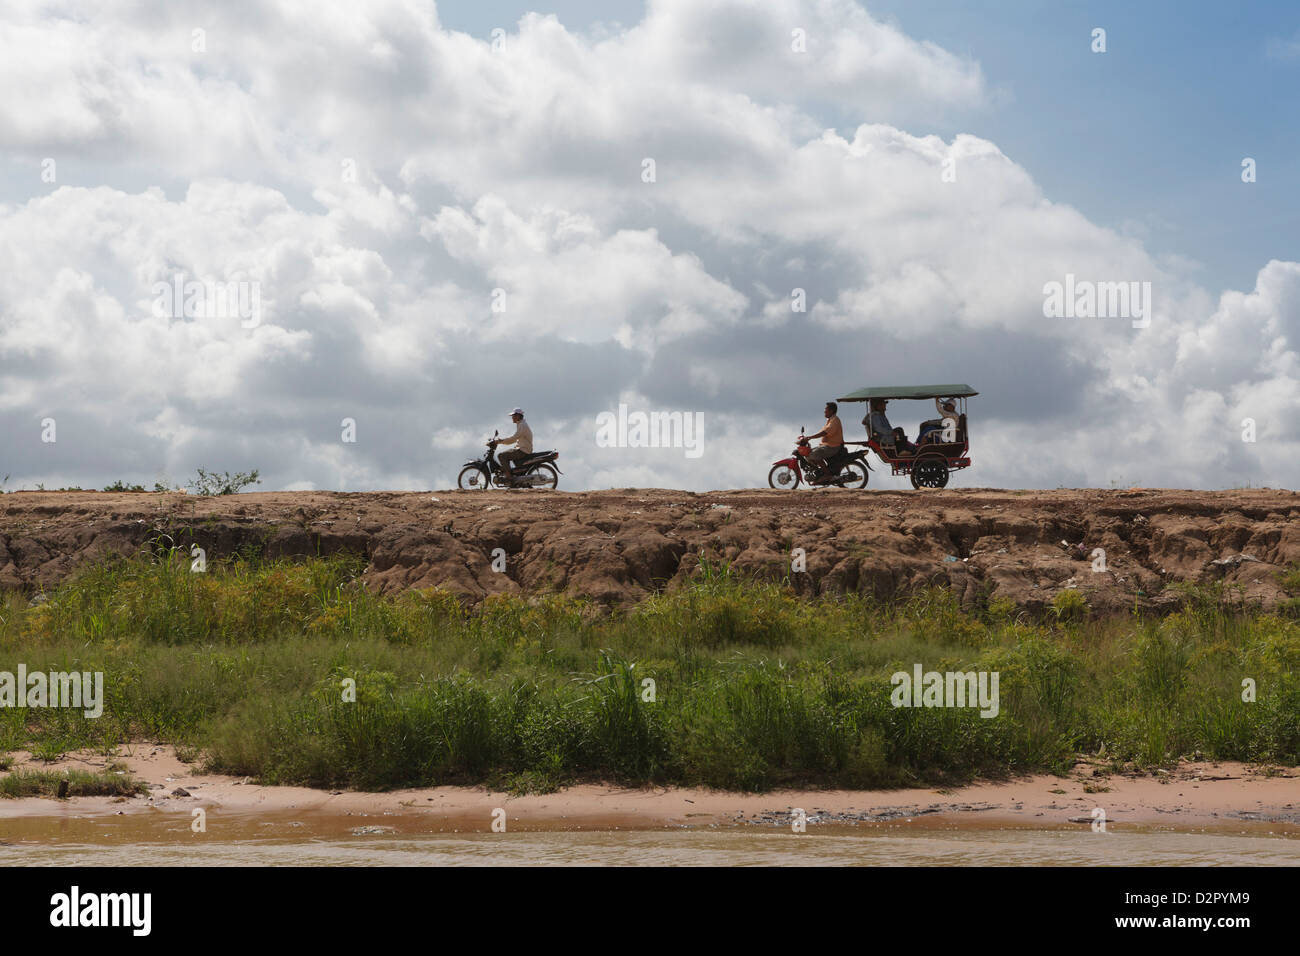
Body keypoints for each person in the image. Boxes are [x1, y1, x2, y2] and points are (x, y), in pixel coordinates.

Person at [805, 401, 844, 475]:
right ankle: (819, 472)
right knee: (808, 453)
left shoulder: (834, 420)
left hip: (832, 447)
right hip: (827, 445)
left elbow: (825, 432)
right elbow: (822, 432)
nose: (824, 411)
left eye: (826, 410)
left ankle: (827, 474)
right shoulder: (830, 420)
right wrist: (808, 437)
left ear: (831, 411)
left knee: (814, 454)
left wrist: (810, 437)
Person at [496, 407, 533, 478]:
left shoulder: (522, 425)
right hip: (522, 449)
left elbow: (514, 438)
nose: (512, 418)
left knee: (501, 456)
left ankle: (509, 477)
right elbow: (515, 439)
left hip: (523, 450)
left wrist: (500, 441)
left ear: (518, 416)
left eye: (513, 416)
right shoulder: (521, 424)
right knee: (507, 452)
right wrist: (502, 441)